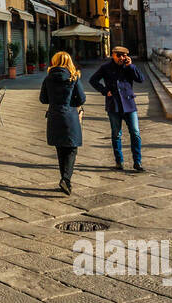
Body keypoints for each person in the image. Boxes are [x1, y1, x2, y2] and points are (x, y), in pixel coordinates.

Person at [89, 45, 146, 173]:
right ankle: (119, 161)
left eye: (123, 55)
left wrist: (131, 66)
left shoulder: (129, 67)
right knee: (116, 134)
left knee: (135, 133)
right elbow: (93, 80)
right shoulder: (105, 67)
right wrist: (104, 91)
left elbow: (141, 79)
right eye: (118, 55)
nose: (121, 57)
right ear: (113, 55)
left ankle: (137, 162)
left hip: (129, 105)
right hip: (113, 105)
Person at [41, 51, 87, 195]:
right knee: (72, 149)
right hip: (70, 116)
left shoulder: (48, 79)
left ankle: (64, 179)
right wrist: (70, 103)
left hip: (54, 116)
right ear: (69, 62)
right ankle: (66, 180)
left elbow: (43, 99)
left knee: (60, 149)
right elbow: (81, 99)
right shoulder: (73, 78)